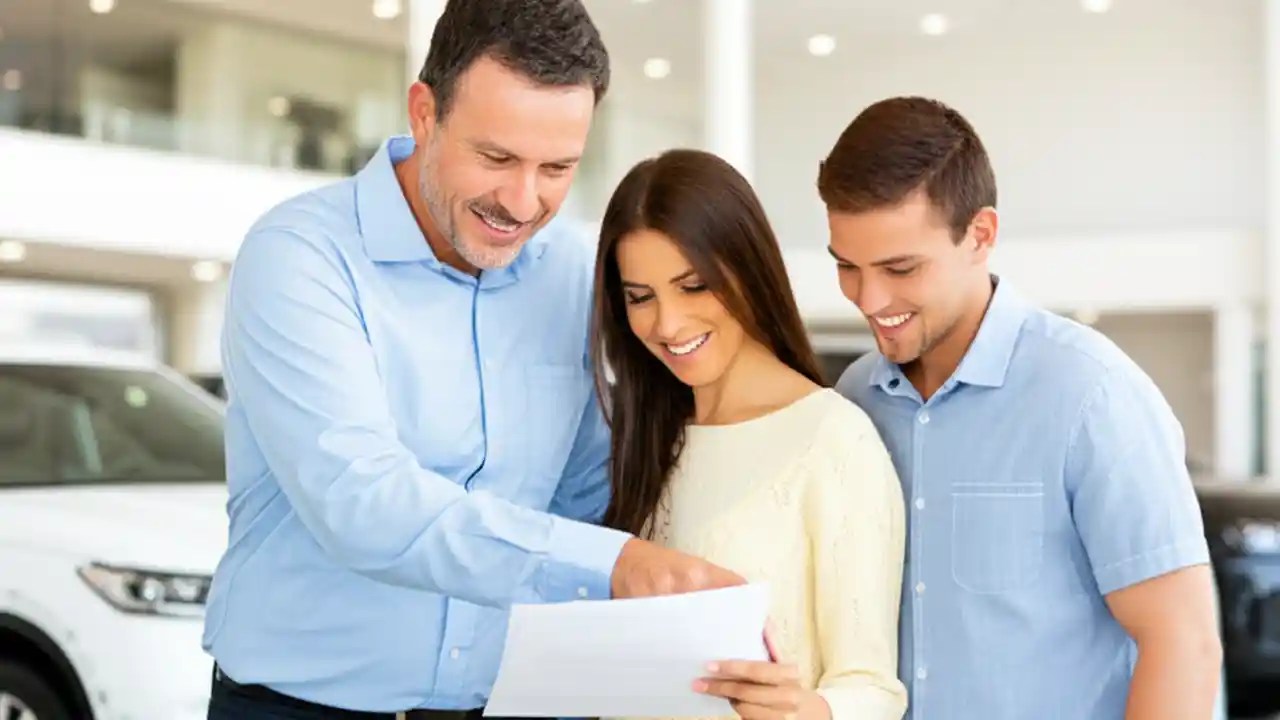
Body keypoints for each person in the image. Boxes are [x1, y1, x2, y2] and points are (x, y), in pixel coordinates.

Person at [203, 2, 743, 718]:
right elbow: (364, 504)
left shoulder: (574, 272)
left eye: (557, 167)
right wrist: (615, 568)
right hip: (299, 706)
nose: (523, 202)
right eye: (496, 158)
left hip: (512, 704)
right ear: (424, 113)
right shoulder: (301, 258)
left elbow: (588, 492)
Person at [819, 96, 1223, 720]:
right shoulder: (853, 401)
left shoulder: (1091, 395)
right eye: (848, 266)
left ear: (980, 235)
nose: (870, 298)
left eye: (900, 268)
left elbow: (1182, 643)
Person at [591, 148, 909, 720]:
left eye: (693, 287)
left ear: (747, 267)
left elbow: (875, 689)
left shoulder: (833, 439)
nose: (667, 324)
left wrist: (806, 711)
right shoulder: (643, 435)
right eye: (640, 297)